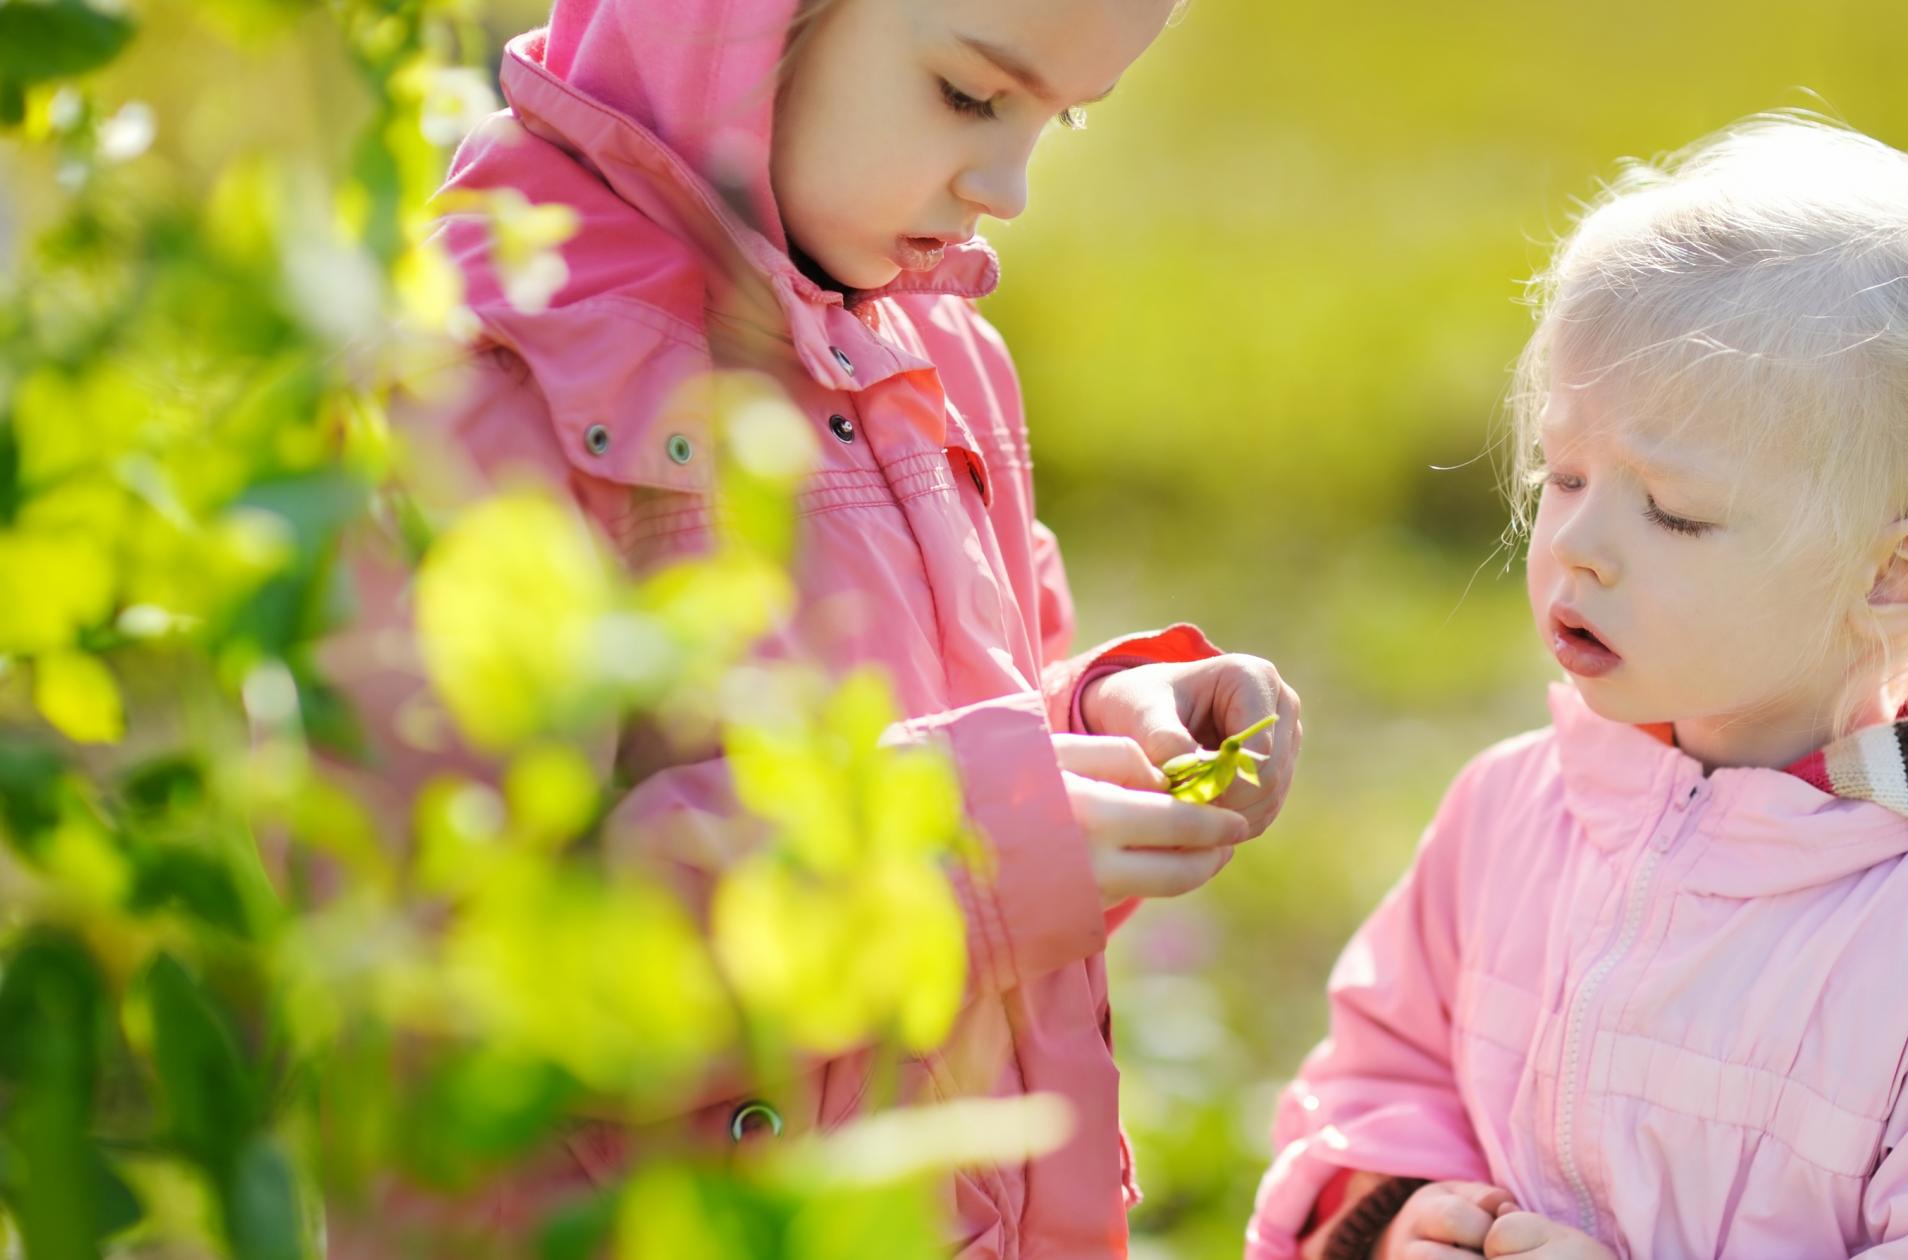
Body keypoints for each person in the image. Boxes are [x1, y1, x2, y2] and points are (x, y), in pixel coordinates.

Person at [321, 0, 1301, 1254]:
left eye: (1059, 120)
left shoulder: (935, 350)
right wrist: (949, 854)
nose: (1006, 189)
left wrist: (1104, 722)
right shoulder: (472, 385)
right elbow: (455, 993)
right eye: (969, 96)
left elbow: (967, 727)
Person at [1248, 116, 1908, 1260]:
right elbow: (1379, 1073)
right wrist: (1391, 1214)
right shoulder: (1511, 814)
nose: (1580, 545)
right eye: (1565, 475)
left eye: (1674, 513)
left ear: (1893, 576)